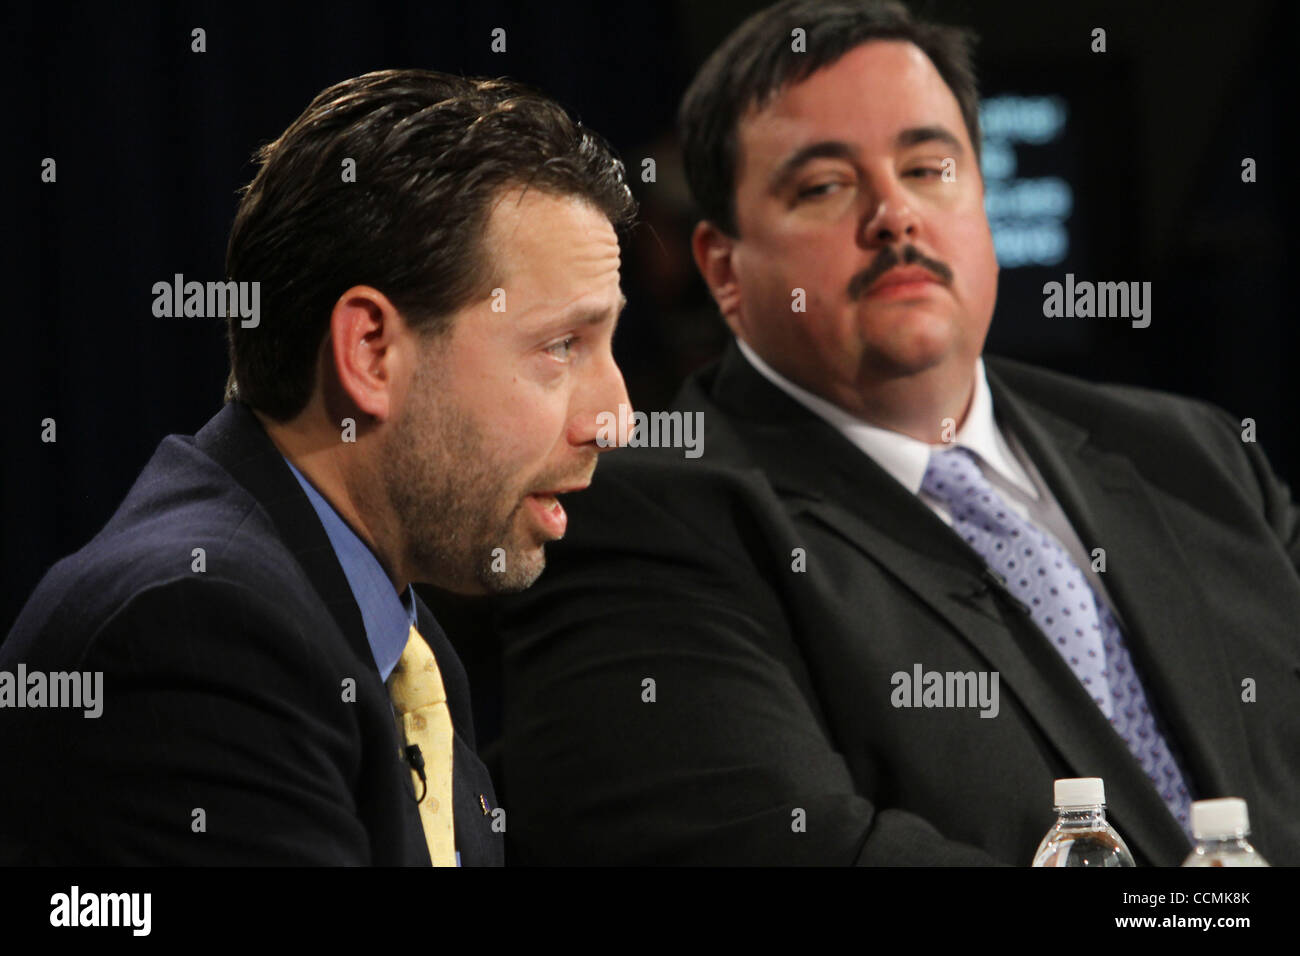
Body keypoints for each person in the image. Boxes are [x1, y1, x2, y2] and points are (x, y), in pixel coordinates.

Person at [494, 0, 1300, 865]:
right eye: (824, 186)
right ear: (725, 271)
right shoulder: (642, 511)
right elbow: (787, 850)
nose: (895, 215)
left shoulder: (1196, 456)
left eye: (929, 167)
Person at [0, 69, 634, 865]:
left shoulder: (397, 642)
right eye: (561, 347)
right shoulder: (197, 629)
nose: (615, 418)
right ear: (370, 353)